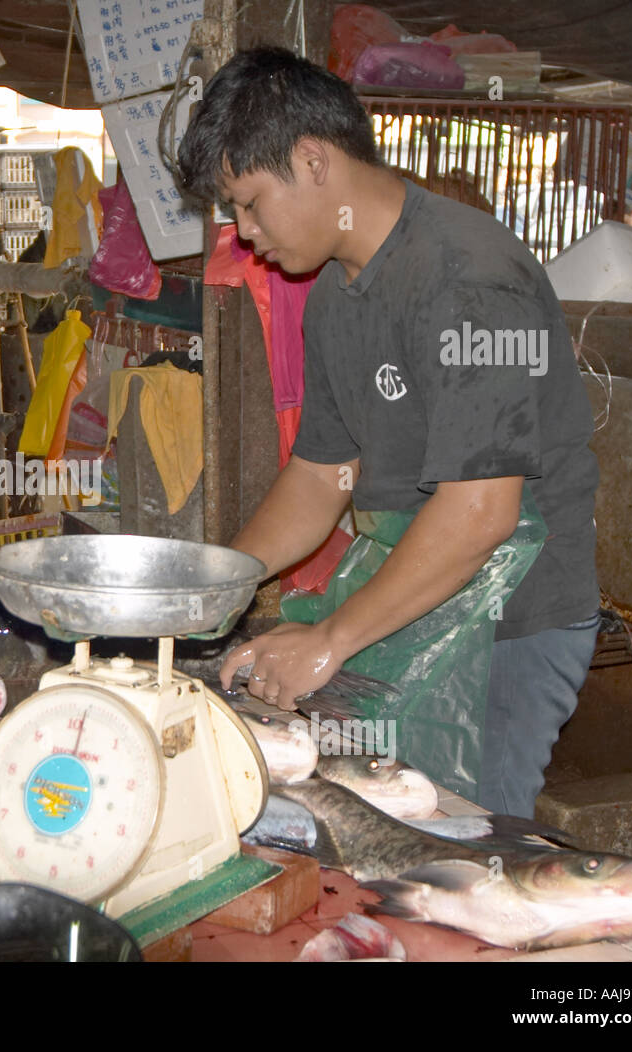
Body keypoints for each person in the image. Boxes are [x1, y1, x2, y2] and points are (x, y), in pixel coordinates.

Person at [178, 48, 600, 818]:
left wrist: (332, 640)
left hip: (510, 620)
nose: (243, 234)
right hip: (418, 593)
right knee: (368, 814)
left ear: (312, 161)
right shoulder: (338, 295)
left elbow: (482, 513)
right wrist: (210, 587)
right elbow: (320, 477)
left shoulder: (470, 279)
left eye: (249, 203)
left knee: (464, 843)